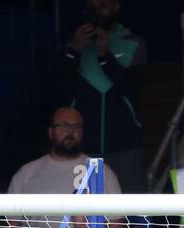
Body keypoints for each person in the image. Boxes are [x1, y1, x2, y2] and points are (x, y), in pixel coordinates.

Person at [59, 0, 148, 192]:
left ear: (116, 7)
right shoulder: (75, 43)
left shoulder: (134, 42)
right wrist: (74, 50)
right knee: (83, 213)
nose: (97, 13)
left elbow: (132, 87)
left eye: (103, 6)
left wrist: (104, 55)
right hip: (83, 145)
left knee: (130, 211)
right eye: (92, 8)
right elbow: (60, 90)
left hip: (124, 145)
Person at [7, 106, 123, 196]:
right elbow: (12, 222)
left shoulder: (101, 171)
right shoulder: (26, 173)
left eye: (76, 126)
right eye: (64, 126)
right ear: (50, 132)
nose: (71, 131)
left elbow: (116, 222)